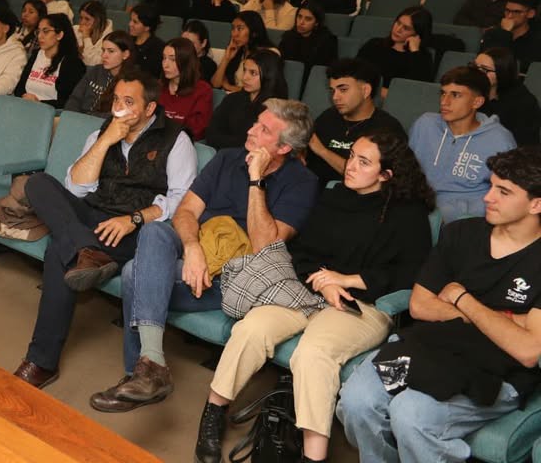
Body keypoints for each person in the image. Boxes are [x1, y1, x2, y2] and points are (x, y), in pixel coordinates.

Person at [193, 131, 434, 463]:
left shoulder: (409, 214)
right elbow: (301, 252)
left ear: (386, 174)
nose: (350, 166)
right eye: (351, 157)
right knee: (252, 327)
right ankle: (213, 415)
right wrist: (325, 284)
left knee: (313, 354)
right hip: (309, 290)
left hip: (364, 304)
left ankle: (312, 457)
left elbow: (410, 275)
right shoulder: (333, 197)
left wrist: (346, 280)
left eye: (363, 162)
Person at [90, 99, 319, 413]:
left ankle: (139, 374)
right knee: (155, 231)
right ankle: (150, 365)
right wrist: (192, 248)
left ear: (282, 148)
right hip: (196, 251)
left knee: (132, 273)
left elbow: (264, 246)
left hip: (234, 275)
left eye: (263, 130)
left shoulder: (302, 182)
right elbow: (185, 212)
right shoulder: (226, 158)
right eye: (256, 122)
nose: (251, 131)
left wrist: (256, 178)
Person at [337, 146, 541, 463]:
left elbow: (528, 351)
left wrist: (462, 297)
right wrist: (508, 321)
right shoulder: (462, 233)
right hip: (428, 349)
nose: (488, 197)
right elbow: (420, 306)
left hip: (496, 372)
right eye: (490, 186)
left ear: (536, 204)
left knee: (411, 413)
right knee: (356, 401)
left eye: (504, 191)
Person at [12, 70, 198, 388]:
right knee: (38, 183)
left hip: (135, 230)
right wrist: (107, 140)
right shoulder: (104, 131)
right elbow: (77, 186)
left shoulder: (176, 139)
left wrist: (134, 219)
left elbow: (181, 200)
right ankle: (86, 249)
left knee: (59, 249)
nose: (118, 108)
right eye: (116, 100)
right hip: (93, 218)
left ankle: (41, 361)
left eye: (129, 102)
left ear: (150, 108)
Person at [409, 65, 516, 223]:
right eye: (443, 93)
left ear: (477, 102)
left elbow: (507, 193)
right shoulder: (426, 124)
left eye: (456, 95)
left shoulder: (500, 140)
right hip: (416, 205)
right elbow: (404, 168)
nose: (445, 102)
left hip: (462, 219)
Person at [307, 58, 406, 186]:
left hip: (354, 198)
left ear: (365, 90)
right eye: (333, 91)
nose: (335, 97)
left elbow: (377, 177)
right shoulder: (328, 116)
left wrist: (322, 151)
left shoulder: (386, 129)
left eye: (343, 90)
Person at [206, 49, 288, 150]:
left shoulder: (276, 110)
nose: (245, 78)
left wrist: (227, 141)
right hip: (224, 157)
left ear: (269, 75)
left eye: (253, 73)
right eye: (244, 70)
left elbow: (262, 145)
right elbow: (211, 134)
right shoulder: (232, 99)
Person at [358, 5, 434, 96]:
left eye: (406, 28)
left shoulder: (422, 58)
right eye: (398, 23)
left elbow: (417, 91)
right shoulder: (374, 44)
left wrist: (415, 51)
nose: (398, 30)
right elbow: (354, 72)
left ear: (417, 34)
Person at [14, 14, 86, 109]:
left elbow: (68, 101)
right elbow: (19, 89)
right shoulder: (36, 55)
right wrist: (25, 98)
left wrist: (39, 103)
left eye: (46, 31)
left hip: (52, 115)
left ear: (59, 35)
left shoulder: (72, 64)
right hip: (25, 107)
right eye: (38, 31)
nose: (40, 36)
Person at [476, 47, 540, 145]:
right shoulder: (471, 90)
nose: (476, 73)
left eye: (485, 69)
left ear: (502, 72)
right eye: (474, 67)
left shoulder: (523, 102)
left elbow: (524, 145)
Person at [65, 31, 135, 117]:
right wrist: (72, 117)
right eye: (103, 50)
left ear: (125, 54)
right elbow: (75, 98)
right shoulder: (96, 71)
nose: (104, 55)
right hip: (78, 118)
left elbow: (117, 115)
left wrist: (87, 119)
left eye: (111, 51)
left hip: (103, 125)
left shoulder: (131, 81)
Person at [159, 38, 213, 140]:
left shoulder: (202, 90)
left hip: (182, 144)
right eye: (164, 58)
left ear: (186, 61)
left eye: (172, 59)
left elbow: (197, 130)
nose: (165, 65)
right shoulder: (159, 87)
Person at [480, 0, 540, 74]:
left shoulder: (536, 40)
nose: (509, 16)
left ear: (531, 14)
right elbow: (488, 62)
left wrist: (505, 35)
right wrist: (504, 33)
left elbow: (518, 67)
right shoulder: (491, 34)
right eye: (507, 10)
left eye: (516, 12)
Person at [211, 10, 273, 93]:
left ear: (254, 32)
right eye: (233, 28)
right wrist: (226, 59)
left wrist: (230, 87)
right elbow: (215, 84)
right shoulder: (239, 51)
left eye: (240, 28)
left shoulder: (270, 53)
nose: (234, 34)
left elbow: (264, 90)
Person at [278, 1, 339, 76]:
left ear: (316, 23)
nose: (301, 22)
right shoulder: (288, 37)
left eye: (308, 19)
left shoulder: (327, 41)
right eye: (299, 16)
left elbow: (324, 70)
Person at [128, 4, 165, 79]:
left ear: (147, 27)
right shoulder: (126, 41)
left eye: (135, 22)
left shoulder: (158, 48)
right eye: (131, 20)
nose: (130, 24)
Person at [75, 0, 113, 66]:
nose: (82, 22)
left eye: (87, 19)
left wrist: (86, 37)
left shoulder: (110, 38)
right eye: (81, 18)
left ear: (98, 20)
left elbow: (91, 63)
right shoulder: (75, 29)